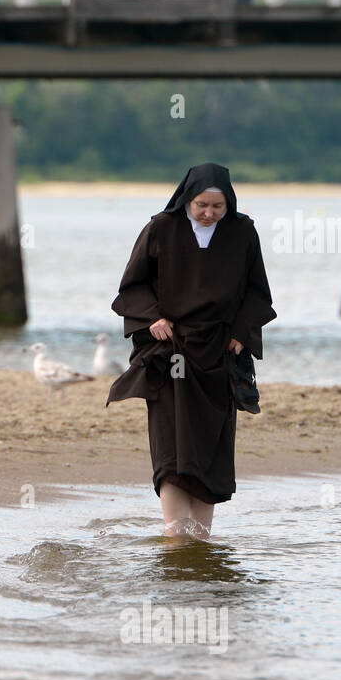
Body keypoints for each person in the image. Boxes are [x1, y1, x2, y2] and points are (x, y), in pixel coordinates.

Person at [106, 162, 276, 540]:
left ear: (228, 203)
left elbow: (257, 292)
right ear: (187, 199)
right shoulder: (161, 228)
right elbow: (131, 288)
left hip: (219, 356)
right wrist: (152, 318)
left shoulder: (242, 231)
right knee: (171, 447)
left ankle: (199, 540)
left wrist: (241, 332)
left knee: (210, 447)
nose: (209, 213)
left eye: (217, 207)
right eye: (201, 205)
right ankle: (174, 537)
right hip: (170, 352)